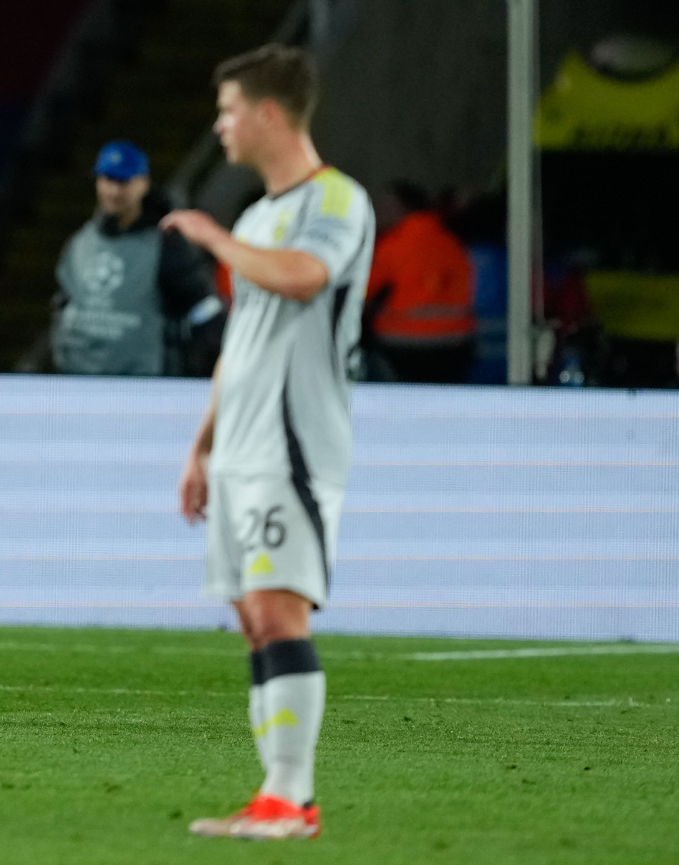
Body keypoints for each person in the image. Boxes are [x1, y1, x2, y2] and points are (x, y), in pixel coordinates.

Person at [161, 43, 374, 841]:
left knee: (280, 611)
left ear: (269, 114)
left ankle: (293, 799)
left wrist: (214, 240)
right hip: (243, 448)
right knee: (254, 617)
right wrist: (202, 446)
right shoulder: (256, 216)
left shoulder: (336, 201)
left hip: (295, 445)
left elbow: (302, 278)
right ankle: (276, 795)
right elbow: (243, 340)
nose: (220, 125)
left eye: (227, 110)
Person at [49, 139, 224, 376]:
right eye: (107, 180)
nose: (113, 191)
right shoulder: (82, 242)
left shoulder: (165, 243)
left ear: (142, 184)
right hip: (80, 379)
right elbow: (64, 302)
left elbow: (204, 309)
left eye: (122, 182)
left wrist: (194, 364)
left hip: (142, 385)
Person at [363, 180, 475, 383]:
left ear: (403, 208)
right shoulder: (452, 243)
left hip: (403, 341)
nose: (380, 213)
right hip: (456, 339)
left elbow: (363, 294)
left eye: (387, 207)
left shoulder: (393, 244)